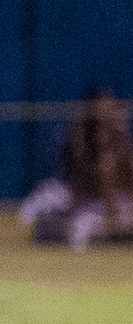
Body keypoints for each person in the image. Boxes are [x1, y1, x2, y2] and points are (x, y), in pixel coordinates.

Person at [63, 87, 133, 251]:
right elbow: (82, 191)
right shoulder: (83, 143)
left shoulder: (124, 146)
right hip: (92, 210)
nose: (109, 118)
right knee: (81, 226)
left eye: (113, 112)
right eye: (102, 113)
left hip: (122, 209)